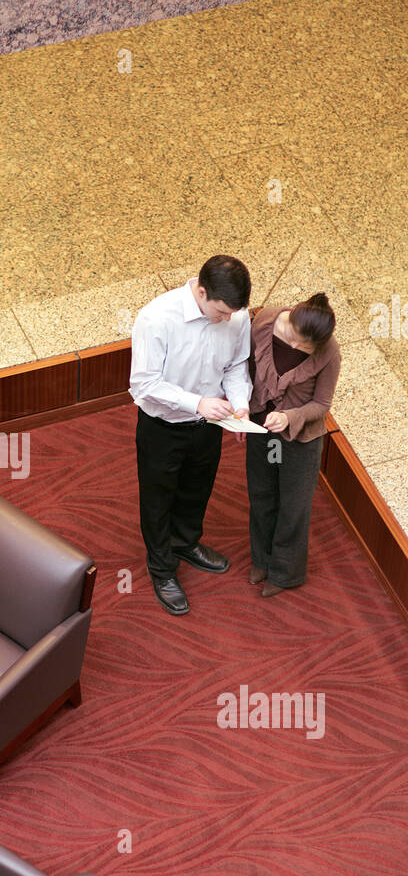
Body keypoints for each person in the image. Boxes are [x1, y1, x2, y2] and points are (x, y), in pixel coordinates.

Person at [130, 256, 252, 615]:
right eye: (221, 312)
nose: (228, 320)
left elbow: (235, 365)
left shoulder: (237, 315)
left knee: (198, 487)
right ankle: (162, 568)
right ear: (201, 291)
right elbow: (143, 384)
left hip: (210, 425)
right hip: (162, 427)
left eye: (234, 313)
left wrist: (241, 404)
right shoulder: (156, 318)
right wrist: (197, 403)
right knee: (158, 498)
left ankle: (185, 542)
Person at [246, 293, 340, 596]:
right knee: (262, 494)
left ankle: (286, 573)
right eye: (295, 340)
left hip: (300, 439)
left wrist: (289, 417)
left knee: (293, 506)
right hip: (262, 430)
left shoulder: (329, 352)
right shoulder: (264, 322)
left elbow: (322, 405)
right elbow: (245, 368)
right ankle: (262, 559)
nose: (297, 348)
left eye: (306, 347)